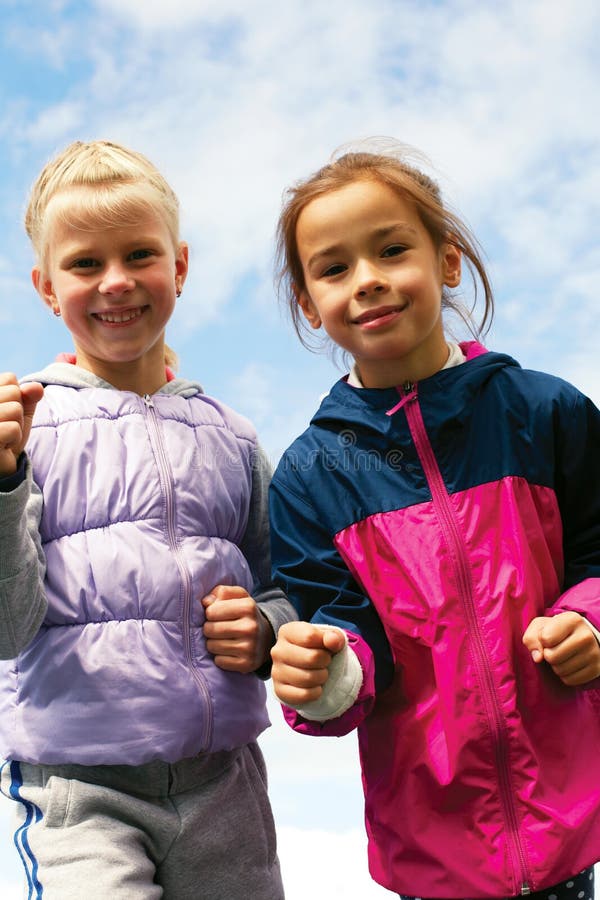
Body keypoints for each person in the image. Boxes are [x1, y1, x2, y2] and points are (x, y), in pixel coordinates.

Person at [268, 141, 600, 900]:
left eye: (391, 249)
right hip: (430, 853)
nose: (369, 281)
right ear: (306, 301)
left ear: (447, 261)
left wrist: (590, 619)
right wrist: (323, 671)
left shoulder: (544, 412)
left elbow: (597, 550)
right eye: (334, 267)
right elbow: (340, 631)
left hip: (569, 836)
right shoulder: (309, 477)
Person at [0, 139, 292, 899]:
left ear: (181, 267)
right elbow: (5, 628)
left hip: (222, 779)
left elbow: (289, 584)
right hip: (79, 787)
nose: (116, 282)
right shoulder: (25, 430)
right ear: (45, 286)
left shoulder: (231, 436)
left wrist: (264, 629)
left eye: (139, 254)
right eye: (85, 264)